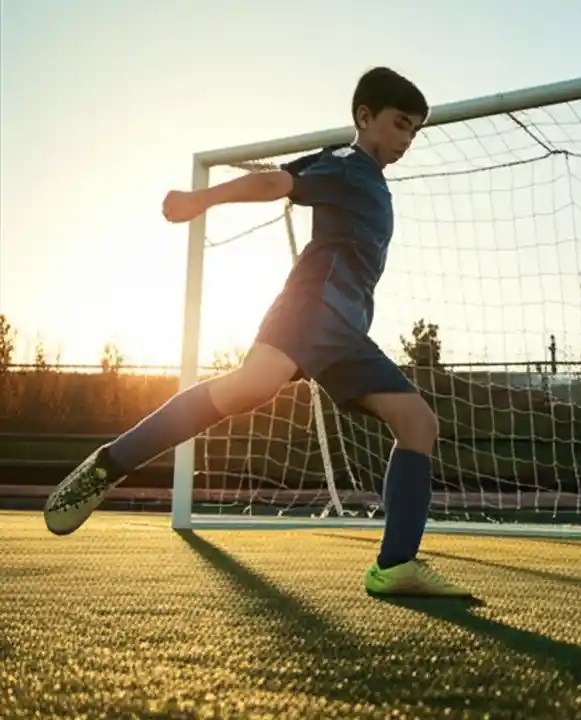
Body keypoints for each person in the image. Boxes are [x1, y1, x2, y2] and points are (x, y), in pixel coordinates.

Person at [43, 67, 473, 600]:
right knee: (251, 388)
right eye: (399, 123)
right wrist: (201, 200)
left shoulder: (372, 181)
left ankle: (395, 566)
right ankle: (111, 462)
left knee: (416, 422)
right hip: (312, 310)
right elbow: (275, 183)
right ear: (365, 117)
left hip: (345, 332)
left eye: (415, 130)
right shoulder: (345, 164)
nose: (407, 137)